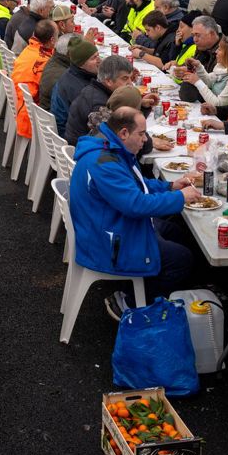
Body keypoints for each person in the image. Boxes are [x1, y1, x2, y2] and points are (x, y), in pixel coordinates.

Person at [70, 107, 200, 317]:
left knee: (178, 231)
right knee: (182, 260)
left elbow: (133, 184)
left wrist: (171, 187)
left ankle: (174, 293)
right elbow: (136, 204)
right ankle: (128, 301)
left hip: (107, 225)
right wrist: (181, 198)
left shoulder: (108, 148)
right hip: (108, 241)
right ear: (123, 133)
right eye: (141, 134)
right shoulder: (105, 162)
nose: (145, 139)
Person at [64, 55, 132, 144]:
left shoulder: (93, 89)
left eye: (131, 78)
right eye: (125, 78)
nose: (130, 83)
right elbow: (122, 140)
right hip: (83, 154)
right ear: (108, 81)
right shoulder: (99, 105)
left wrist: (142, 106)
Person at [13, 19, 57, 140]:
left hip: (20, 104)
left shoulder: (29, 49)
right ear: (52, 40)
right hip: (29, 116)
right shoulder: (44, 63)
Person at [51, 36, 99, 133]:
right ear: (81, 63)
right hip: (69, 137)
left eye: (98, 55)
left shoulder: (73, 73)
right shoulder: (79, 89)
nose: (99, 60)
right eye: (93, 58)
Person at [176, 17, 223, 102]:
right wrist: (184, 70)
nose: (195, 40)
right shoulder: (203, 47)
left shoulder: (224, 53)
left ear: (212, 34)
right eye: (193, 35)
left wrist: (191, 74)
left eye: (198, 35)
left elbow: (212, 84)